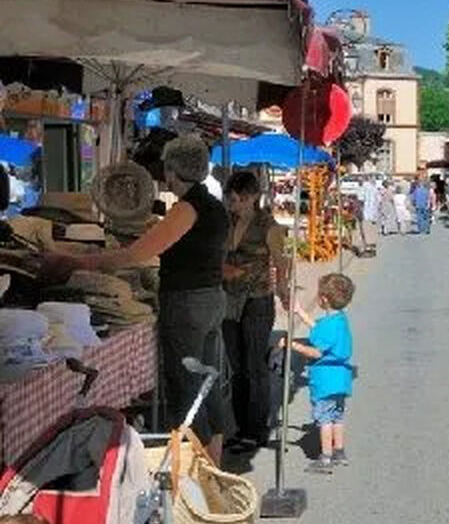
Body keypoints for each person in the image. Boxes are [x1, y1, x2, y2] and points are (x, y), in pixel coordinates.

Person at [48, 135, 234, 464]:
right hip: (211, 299)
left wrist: (80, 262)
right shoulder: (215, 207)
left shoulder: (187, 208)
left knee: (186, 388)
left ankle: (201, 473)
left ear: (173, 170)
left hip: (187, 304)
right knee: (207, 383)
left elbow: (137, 255)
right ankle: (215, 470)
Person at [221, 171, 290, 451]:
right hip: (229, 300)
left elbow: (281, 263)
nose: (233, 204)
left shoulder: (268, 226)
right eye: (231, 199)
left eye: (238, 199)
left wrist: (283, 291)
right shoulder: (226, 221)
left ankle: (256, 430)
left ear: (252, 198)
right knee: (236, 367)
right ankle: (241, 428)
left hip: (257, 300)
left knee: (254, 366)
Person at [286, 273, 355, 475]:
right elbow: (318, 330)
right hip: (341, 379)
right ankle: (339, 451)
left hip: (326, 380)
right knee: (337, 416)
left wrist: (293, 345)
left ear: (324, 299)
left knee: (324, 419)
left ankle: (325, 457)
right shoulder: (339, 320)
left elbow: (316, 351)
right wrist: (300, 312)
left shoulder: (329, 325)